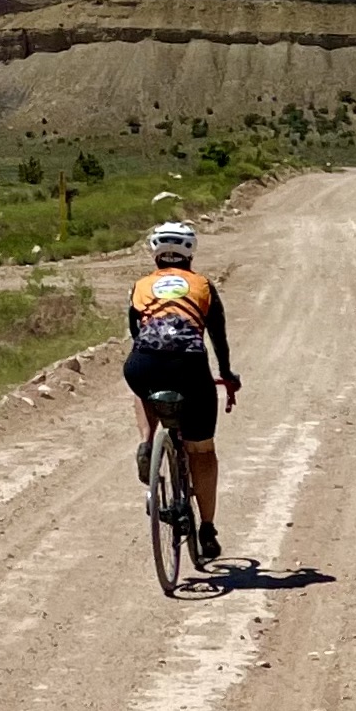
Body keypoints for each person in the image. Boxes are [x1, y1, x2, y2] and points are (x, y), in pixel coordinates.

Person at [125, 222, 239, 562]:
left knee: (141, 383)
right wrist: (226, 374)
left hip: (144, 363)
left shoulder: (141, 285)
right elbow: (217, 336)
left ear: (155, 253)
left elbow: (136, 334)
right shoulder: (202, 285)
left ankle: (147, 441)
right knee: (201, 450)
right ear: (191, 252)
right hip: (190, 366)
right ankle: (207, 529)